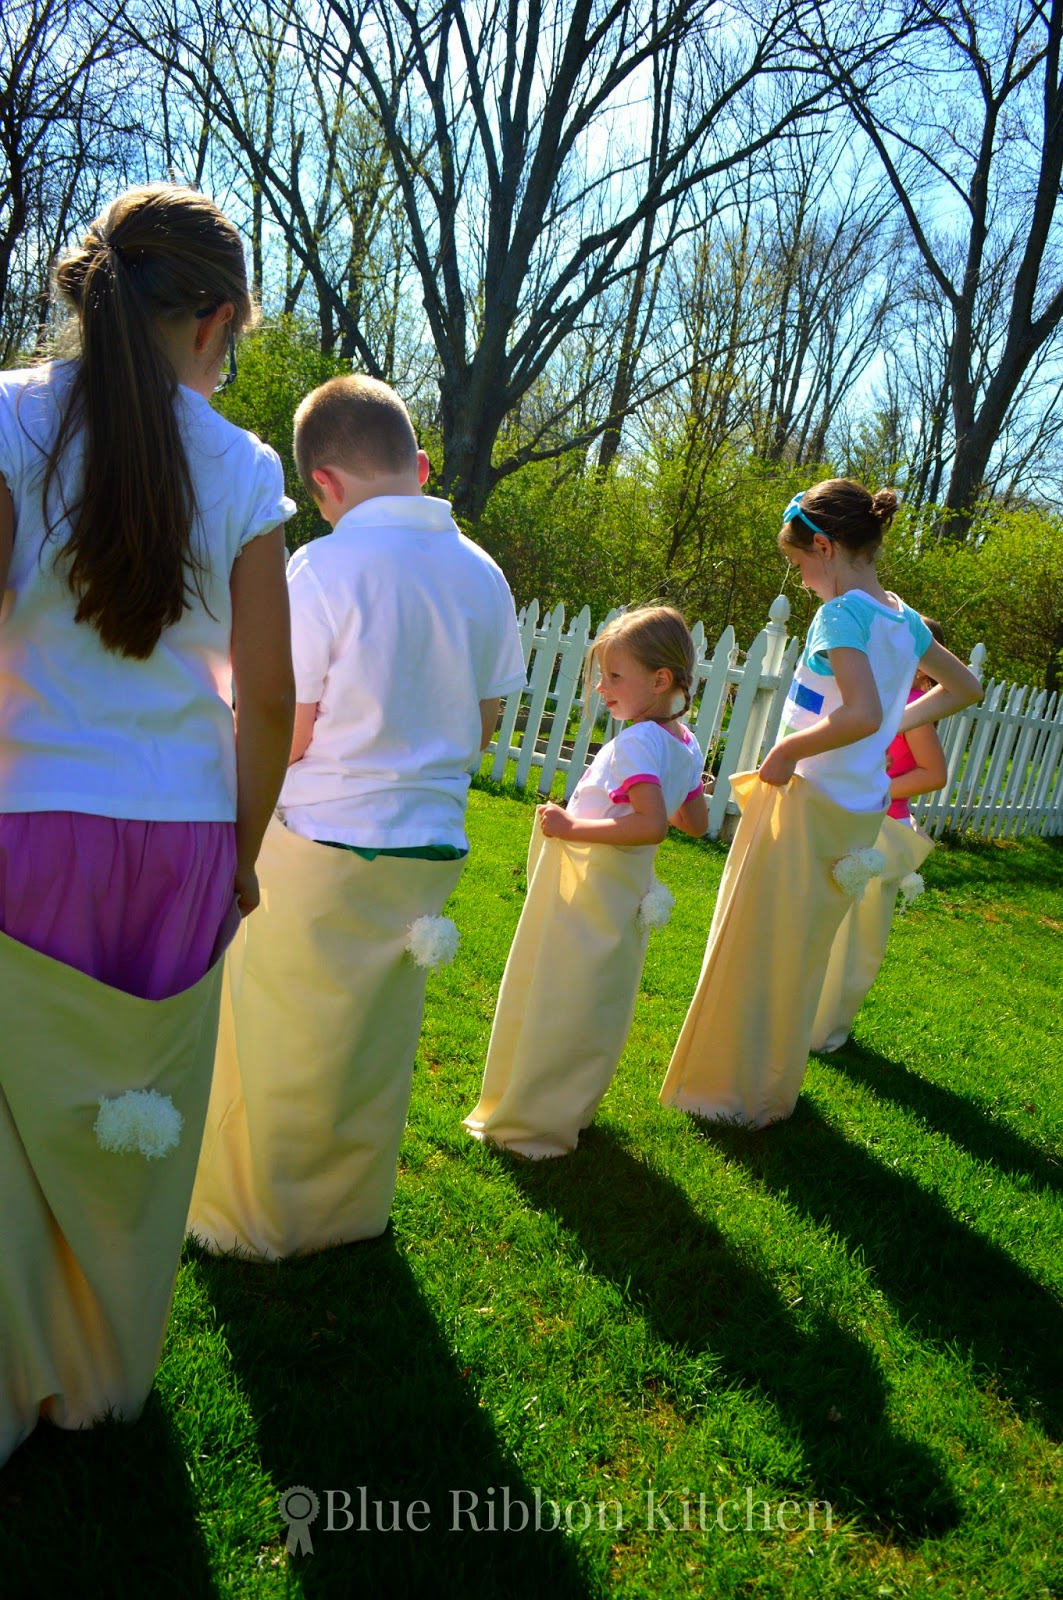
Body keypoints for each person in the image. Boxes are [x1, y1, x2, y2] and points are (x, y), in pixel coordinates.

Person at [0, 185, 296, 1467]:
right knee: (140, 1109)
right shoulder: (244, 466)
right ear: (220, 318)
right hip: (177, 832)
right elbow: (270, 697)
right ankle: (107, 1376)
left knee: (17, 1119)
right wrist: (241, 848)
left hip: (27, 822)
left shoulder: (10, 420)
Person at [188, 374, 526, 1256]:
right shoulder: (485, 574)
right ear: (418, 465)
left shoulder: (324, 565)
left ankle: (259, 1216)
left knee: (282, 1029)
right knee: (373, 1039)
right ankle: (349, 1208)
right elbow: (487, 720)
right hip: (432, 841)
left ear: (322, 487)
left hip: (325, 835)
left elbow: (289, 728)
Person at [660, 481, 981, 1129]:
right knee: (800, 951)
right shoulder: (901, 616)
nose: (802, 581)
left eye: (800, 564)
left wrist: (787, 752)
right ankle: (768, 1092)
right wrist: (891, 724)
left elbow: (858, 712)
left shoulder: (842, 614)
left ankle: (724, 1093)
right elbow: (963, 687)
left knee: (753, 940)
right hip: (854, 806)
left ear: (826, 547)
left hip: (806, 799)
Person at [463, 605, 707, 1158]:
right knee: (594, 994)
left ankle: (534, 1115)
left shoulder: (640, 742)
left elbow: (650, 827)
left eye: (614, 677)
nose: (601, 689)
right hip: (625, 893)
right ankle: (570, 1102)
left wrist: (573, 824)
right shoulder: (683, 742)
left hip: (592, 883)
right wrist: (673, 786)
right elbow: (695, 821)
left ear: (660, 679)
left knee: (558, 990)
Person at [811, 619, 950, 1052]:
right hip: (843, 817)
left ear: (927, 669)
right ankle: (798, 1011)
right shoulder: (868, 698)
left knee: (856, 935)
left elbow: (934, 774)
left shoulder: (912, 706)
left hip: (881, 830)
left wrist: (879, 787)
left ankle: (824, 1028)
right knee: (820, 921)